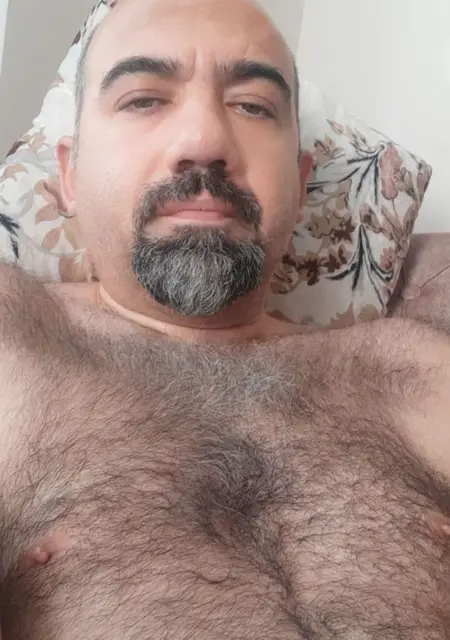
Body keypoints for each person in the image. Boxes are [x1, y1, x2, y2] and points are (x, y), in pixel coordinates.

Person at [0, 0, 449, 637]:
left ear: (299, 182)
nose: (204, 142)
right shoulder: (13, 339)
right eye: (144, 99)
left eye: (253, 106)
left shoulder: (418, 370)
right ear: (69, 177)